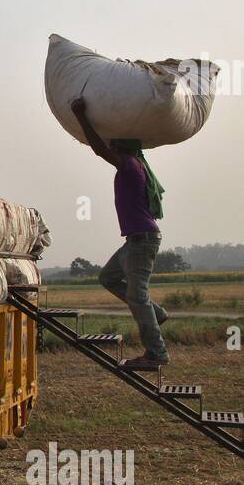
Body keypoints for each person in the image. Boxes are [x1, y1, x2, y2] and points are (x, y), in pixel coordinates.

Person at [70, 95, 170, 368]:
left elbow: (100, 150)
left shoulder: (129, 165)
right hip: (135, 240)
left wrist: (80, 116)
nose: (111, 145)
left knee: (137, 297)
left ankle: (156, 353)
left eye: (116, 144)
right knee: (108, 277)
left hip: (141, 241)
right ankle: (156, 312)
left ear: (124, 148)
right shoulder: (134, 166)